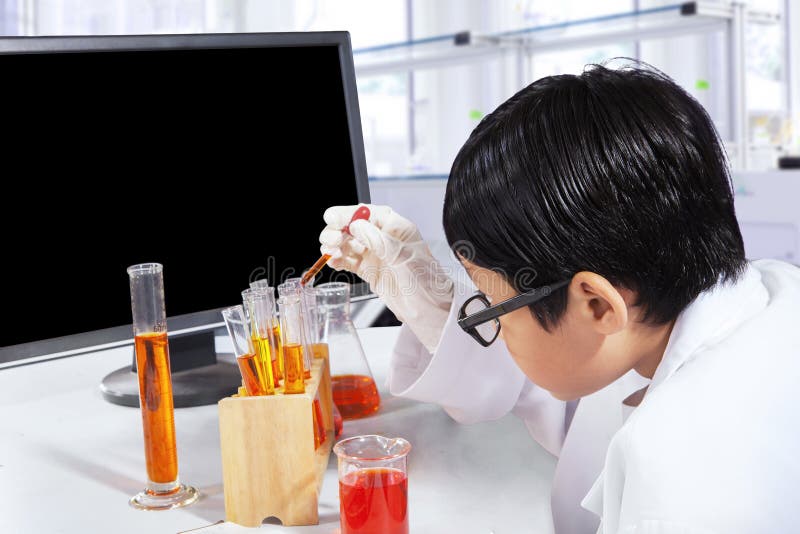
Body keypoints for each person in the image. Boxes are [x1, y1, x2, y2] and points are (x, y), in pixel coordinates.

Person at [318, 63, 800, 533]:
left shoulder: (681, 488)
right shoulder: (761, 296)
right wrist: (433, 302)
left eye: (493, 308)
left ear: (598, 305)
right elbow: (581, 391)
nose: (491, 324)